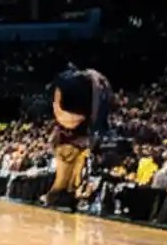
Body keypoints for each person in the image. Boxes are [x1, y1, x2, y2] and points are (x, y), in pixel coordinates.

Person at [41, 66, 113, 208]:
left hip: (76, 147)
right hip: (76, 146)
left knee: (68, 180)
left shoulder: (77, 126)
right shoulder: (70, 129)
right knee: (68, 180)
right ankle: (60, 200)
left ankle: (59, 200)